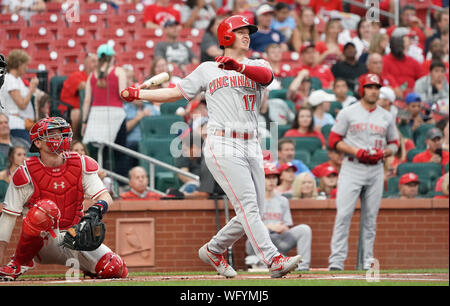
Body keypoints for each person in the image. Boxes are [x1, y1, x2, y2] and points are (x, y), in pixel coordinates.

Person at [119, 15, 302, 278]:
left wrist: (239, 67)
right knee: (249, 207)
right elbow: (175, 93)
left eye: (247, 32)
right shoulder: (207, 69)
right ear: (226, 35)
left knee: (255, 211)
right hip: (222, 141)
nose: (246, 35)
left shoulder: (256, 63)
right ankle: (273, 260)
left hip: (252, 143)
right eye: (240, 31)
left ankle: (214, 249)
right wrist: (140, 94)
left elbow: (267, 77)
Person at [0, 117, 128, 281]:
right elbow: (8, 218)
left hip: (74, 235)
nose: (58, 138)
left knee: (114, 267)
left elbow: (105, 196)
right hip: (44, 242)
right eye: (51, 135)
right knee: (45, 208)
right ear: (38, 143)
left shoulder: (81, 163)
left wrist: (97, 209)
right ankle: (18, 263)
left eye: (60, 134)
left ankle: (90, 269)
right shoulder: (25, 172)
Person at [327, 73, 399, 271]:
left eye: (376, 87)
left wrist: (385, 153)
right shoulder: (348, 112)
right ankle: (336, 262)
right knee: (343, 215)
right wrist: (355, 151)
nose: (373, 91)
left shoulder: (386, 116)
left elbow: (394, 143)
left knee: (370, 219)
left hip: (375, 169)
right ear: (362, 89)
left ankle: (366, 262)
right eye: (369, 87)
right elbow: (333, 141)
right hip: (352, 166)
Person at [245, 163, 312, 271]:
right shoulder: (253, 199)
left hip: (279, 240)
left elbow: (287, 225)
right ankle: (268, 262)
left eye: (274, 177)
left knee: (304, 229)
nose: (272, 181)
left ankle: (302, 267)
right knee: (264, 230)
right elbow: (248, 226)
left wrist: (283, 228)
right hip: (257, 243)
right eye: (268, 178)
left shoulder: (283, 200)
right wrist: (269, 226)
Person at [81, 44, 128, 178]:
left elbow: (87, 101)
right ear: (112, 57)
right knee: (120, 151)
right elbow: (123, 94)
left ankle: (99, 180)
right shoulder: (119, 72)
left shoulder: (92, 75)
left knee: (99, 152)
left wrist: (85, 122)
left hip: (96, 114)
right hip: (116, 113)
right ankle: (121, 182)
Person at [0, 49, 38, 143]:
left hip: (22, 123)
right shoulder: (10, 79)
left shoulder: (18, 80)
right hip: (15, 124)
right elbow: (21, 104)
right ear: (19, 64)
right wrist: (31, 90)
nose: (26, 68)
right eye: (25, 65)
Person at [60, 53, 98, 140]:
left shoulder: (97, 77)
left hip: (89, 109)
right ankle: (74, 140)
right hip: (70, 109)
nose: (96, 64)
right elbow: (83, 86)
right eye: (93, 61)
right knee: (76, 114)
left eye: (97, 61)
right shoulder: (76, 75)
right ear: (85, 63)